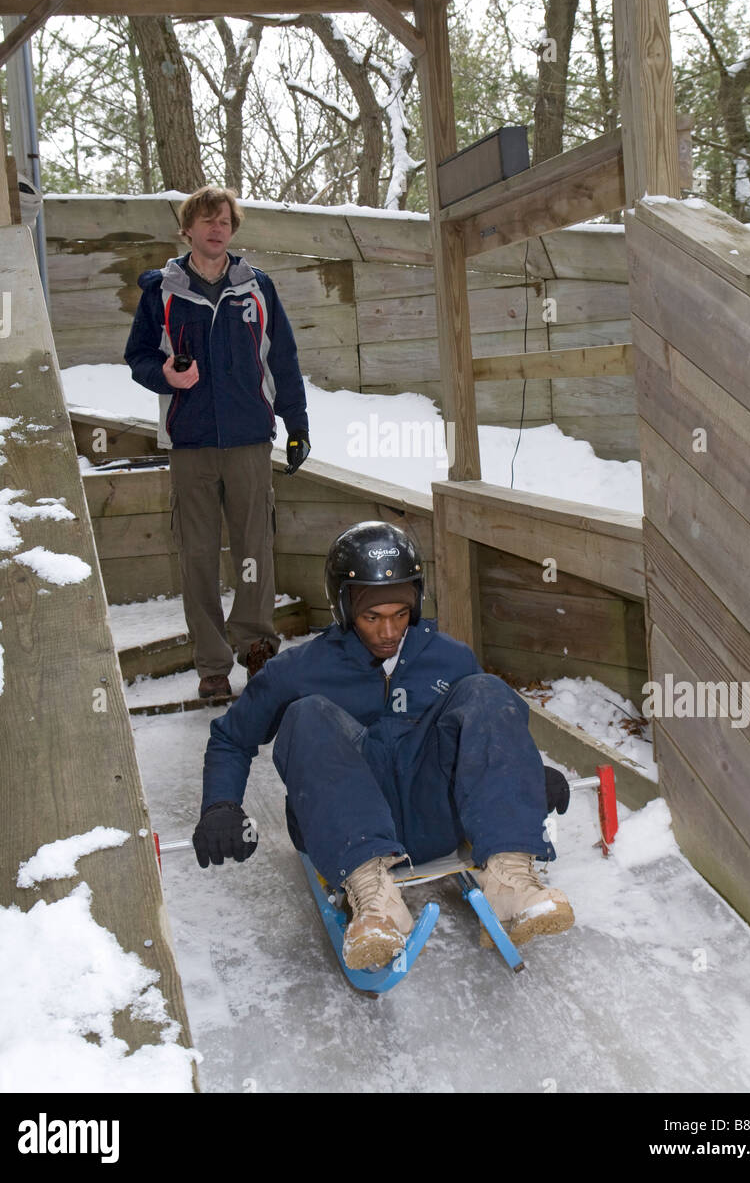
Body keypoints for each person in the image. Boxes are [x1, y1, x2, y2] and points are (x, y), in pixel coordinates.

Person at [192, 521, 574, 970]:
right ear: (344, 608)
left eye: (400, 614)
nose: (389, 631)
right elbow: (230, 739)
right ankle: (375, 902)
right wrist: (220, 805)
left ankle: (513, 883)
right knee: (307, 713)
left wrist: (519, 777)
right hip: (344, 822)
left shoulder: (449, 657)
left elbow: (486, 725)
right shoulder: (300, 669)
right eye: (372, 617)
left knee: (486, 689)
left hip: (435, 814)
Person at [124, 185, 309, 702]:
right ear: (188, 229)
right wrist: (164, 374)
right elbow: (137, 356)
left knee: (255, 550)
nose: (216, 228)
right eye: (206, 221)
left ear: (233, 228)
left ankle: (256, 647)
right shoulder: (162, 290)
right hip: (191, 443)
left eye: (224, 221)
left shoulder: (257, 288)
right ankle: (211, 665)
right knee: (198, 555)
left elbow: (283, 361)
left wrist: (297, 425)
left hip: (251, 440)